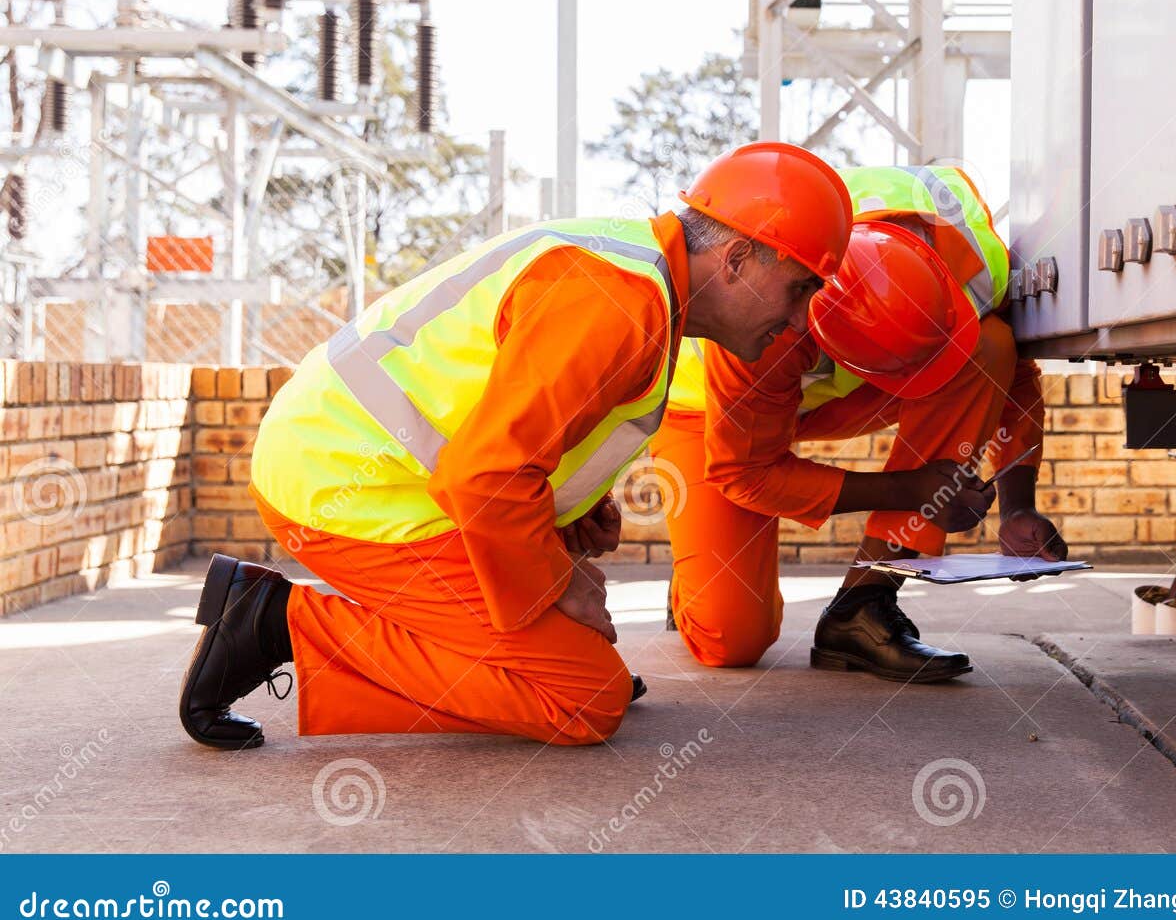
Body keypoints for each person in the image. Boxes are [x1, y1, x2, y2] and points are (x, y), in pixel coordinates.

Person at [178, 142, 852, 750]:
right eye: (799, 290)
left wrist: (574, 505)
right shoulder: (618, 299)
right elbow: (485, 474)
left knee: (567, 636)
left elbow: (511, 413)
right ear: (736, 259)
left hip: (368, 468)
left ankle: (526, 650)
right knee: (584, 697)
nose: (800, 321)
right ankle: (275, 622)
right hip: (342, 486)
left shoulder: (639, 277)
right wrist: (554, 585)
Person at [653, 164, 1069, 683]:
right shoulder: (761, 324)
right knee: (731, 640)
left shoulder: (976, 262)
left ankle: (864, 603)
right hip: (711, 415)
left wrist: (1018, 505)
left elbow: (1016, 372)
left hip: (840, 397)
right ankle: (694, 581)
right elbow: (746, 473)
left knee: (990, 344)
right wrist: (909, 489)